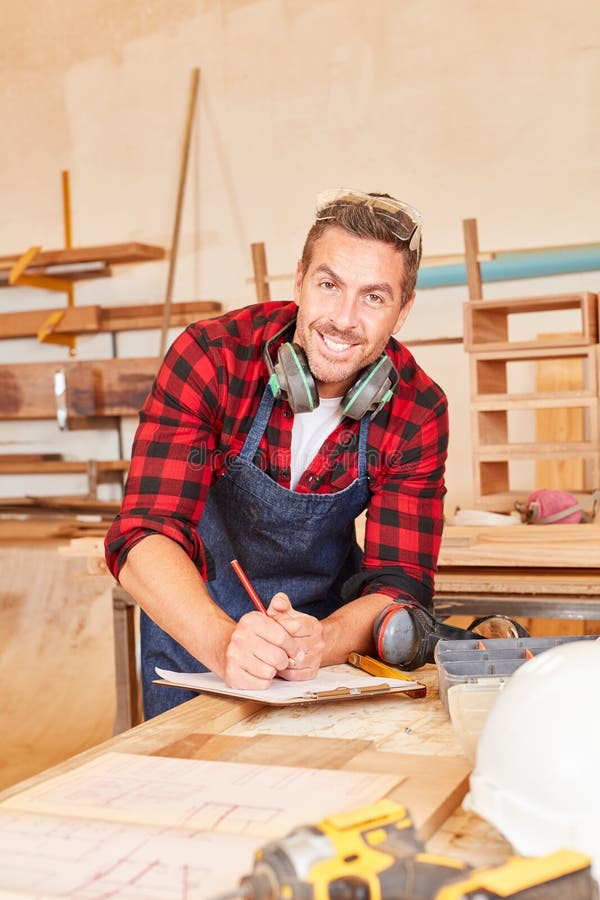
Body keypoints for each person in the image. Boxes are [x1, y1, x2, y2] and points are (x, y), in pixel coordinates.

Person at [105, 188, 449, 718]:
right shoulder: (212, 359)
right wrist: (224, 643)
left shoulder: (417, 410)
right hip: (195, 644)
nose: (343, 318)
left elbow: (400, 585)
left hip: (319, 666)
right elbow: (143, 534)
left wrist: (322, 641)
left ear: (403, 312)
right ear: (299, 282)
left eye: (374, 297)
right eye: (329, 285)